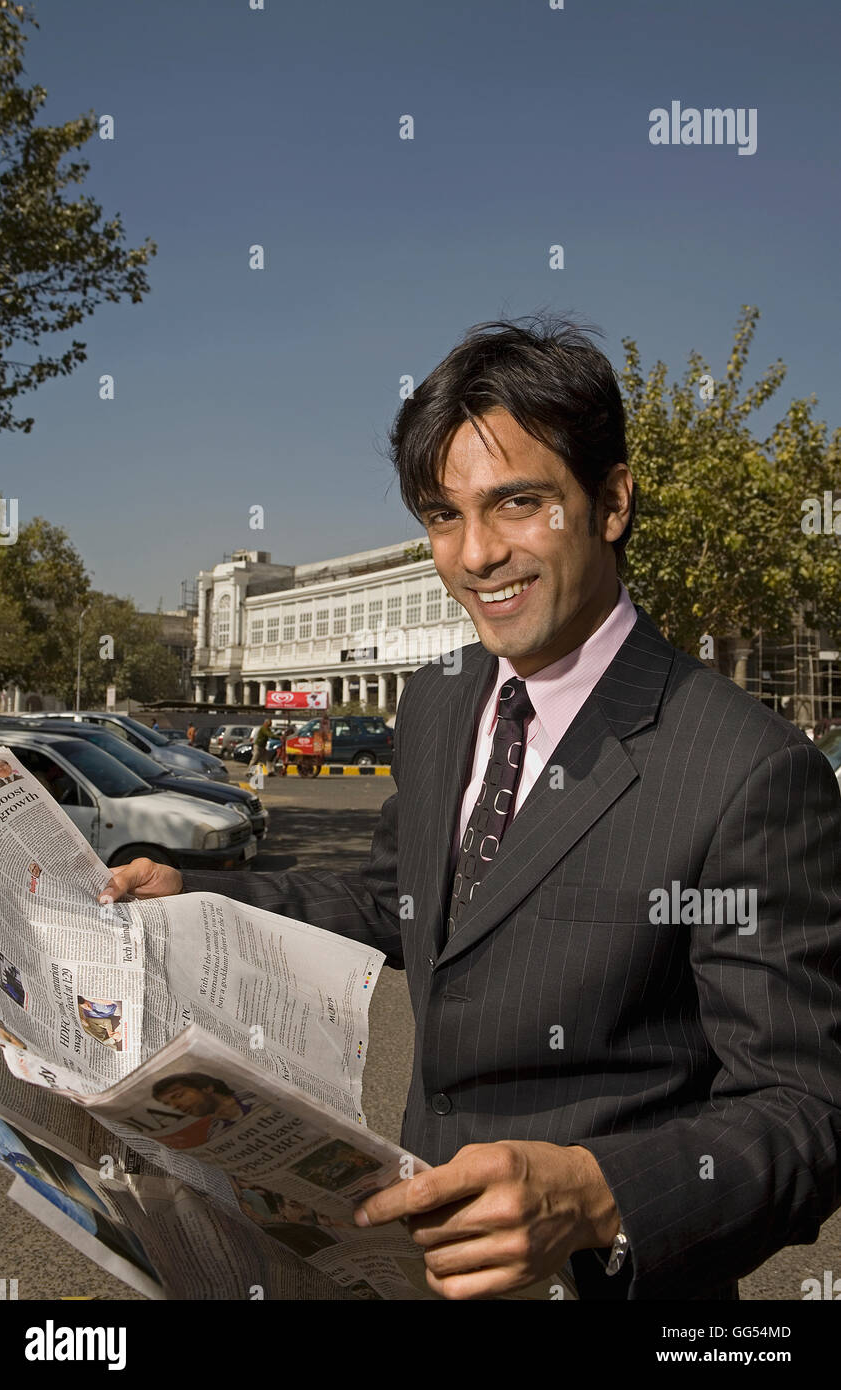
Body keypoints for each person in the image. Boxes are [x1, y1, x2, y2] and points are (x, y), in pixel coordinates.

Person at [99, 312, 841, 1302]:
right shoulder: (444, 698)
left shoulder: (746, 771)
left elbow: (804, 1109)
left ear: (611, 500)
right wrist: (192, 892)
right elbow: (388, 902)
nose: (476, 553)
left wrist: (597, 1194)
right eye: (443, 518)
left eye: (517, 502)